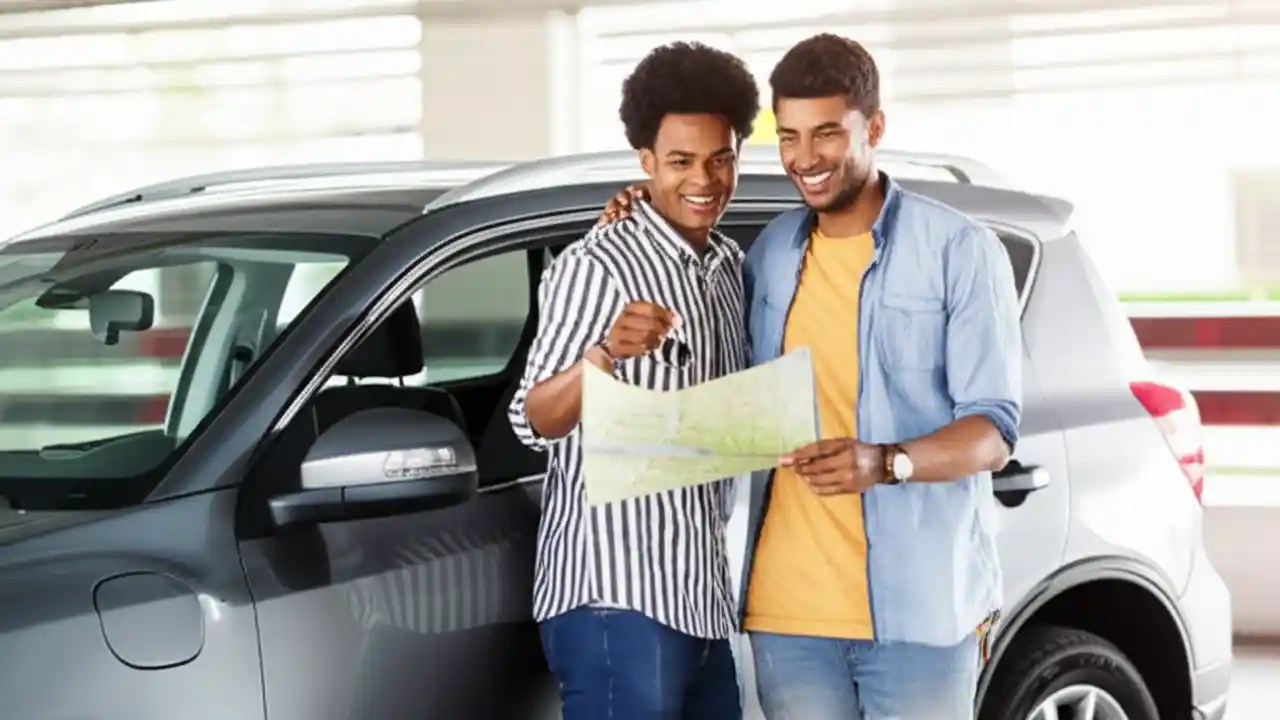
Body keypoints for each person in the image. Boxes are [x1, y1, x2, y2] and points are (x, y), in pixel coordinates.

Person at [599, 33, 1022, 720]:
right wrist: (639, 206)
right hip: (786, 615)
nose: (805, 158)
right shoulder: (769, 256)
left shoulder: (958, 251)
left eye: (826, 133)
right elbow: (706, 358)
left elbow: (994, 430)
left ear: (873, 127)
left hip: (918, 616)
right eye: (789, 136)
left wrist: (886, 461)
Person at [506, 41, 760, 720]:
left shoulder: (730, 268)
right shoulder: (600, 266)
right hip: (617, 598)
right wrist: (601, 357)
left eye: (720, 157)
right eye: (680, 161)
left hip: (702, 593)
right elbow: (534, 419)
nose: (703, 178)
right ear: (646, 161)